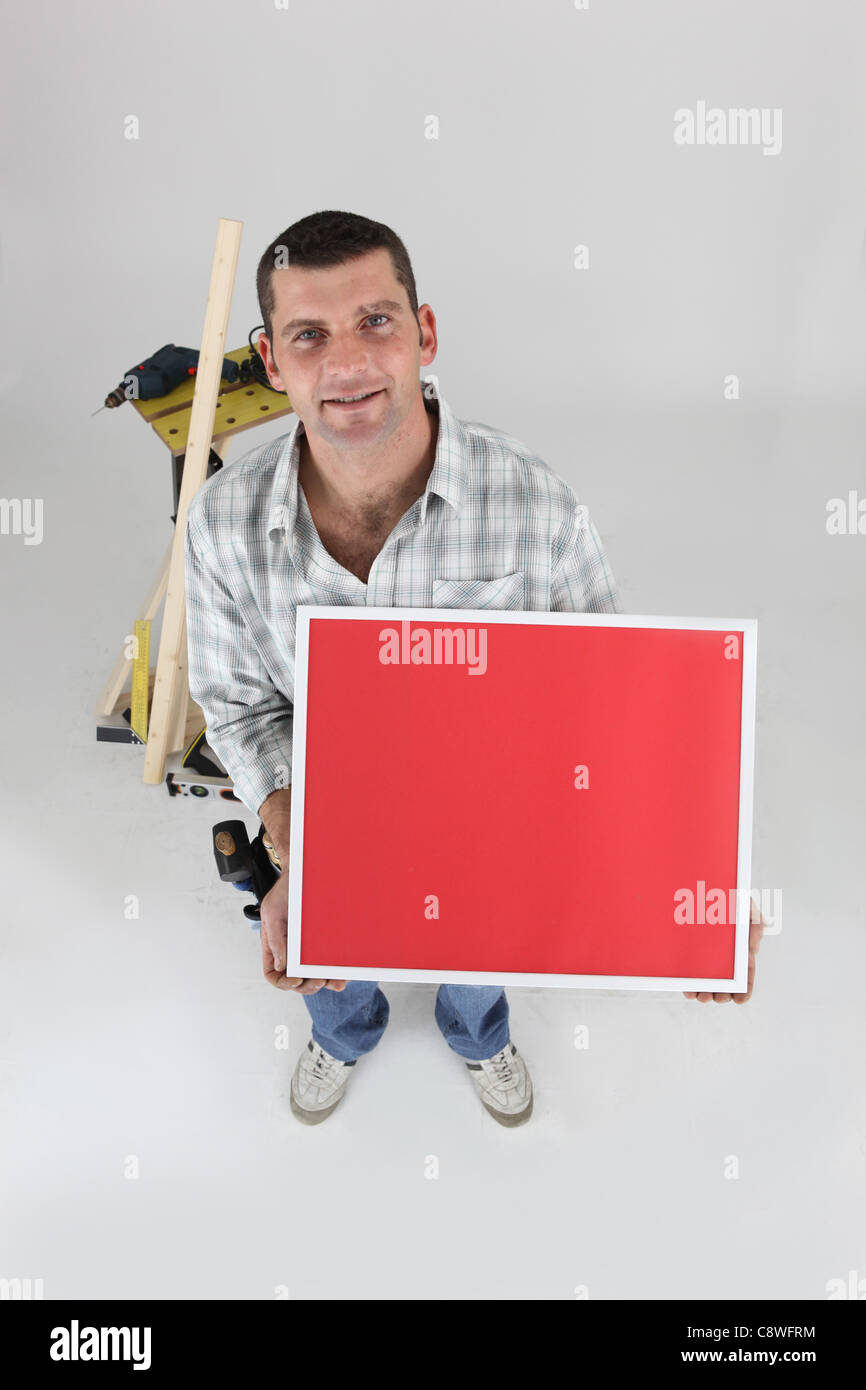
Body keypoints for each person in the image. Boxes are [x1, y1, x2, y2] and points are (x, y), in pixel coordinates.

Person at [185, 209, 764, 1128]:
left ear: (425, 333)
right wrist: (298, 845)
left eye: (376, 321)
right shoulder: (220, 524)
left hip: (500, 834)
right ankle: (342, 1034)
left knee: (480, 954)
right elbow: (238, 704)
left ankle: (476, 1031)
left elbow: (611, 712)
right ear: (269, 359)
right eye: (309, 335)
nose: (346, 363)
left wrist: (688, 892)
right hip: (334, 829)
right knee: (322, 962)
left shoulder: (539, 508)